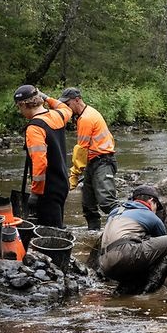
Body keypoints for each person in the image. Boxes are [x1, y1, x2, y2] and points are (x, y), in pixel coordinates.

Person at [99, 184, 167, 294]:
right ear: (151, 201)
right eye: (156, 205)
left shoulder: (115, 212)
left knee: (142, 248)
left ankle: (125, 291)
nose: (156, 210)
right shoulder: (150, 216)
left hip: (105, 264)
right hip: (125, 255)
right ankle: (149, 290)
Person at [13, 84, 73, 227]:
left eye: (19, 107)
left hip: (47, 189)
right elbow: (67, 109)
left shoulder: (35, 128)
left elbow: (40, 163)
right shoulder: (57, 115)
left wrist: (35, 193)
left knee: (51, 232)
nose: (20, 111)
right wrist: (46, 97)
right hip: (63, 182)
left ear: (24, 105)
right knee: (57, 224)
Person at [59, 87, 118, 230]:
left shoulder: (86, 118)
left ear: (77, 100)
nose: (67, 108)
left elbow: (81, 150)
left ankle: (126, 227)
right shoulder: (85, 114)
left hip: (103, 161)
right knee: (88, 205)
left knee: (107, 202)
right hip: (93, 161)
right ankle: (94, 234)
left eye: (68, 104)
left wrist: (74, 175)